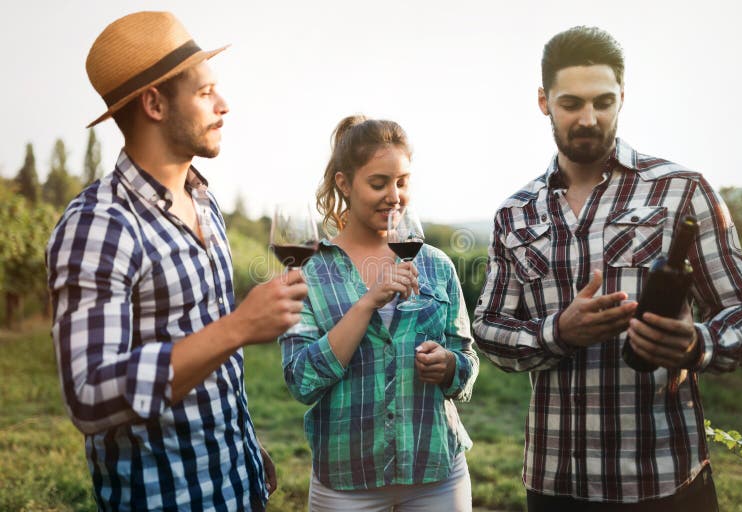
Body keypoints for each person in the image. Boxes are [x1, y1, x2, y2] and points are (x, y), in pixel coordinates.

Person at [472, 26, 742, 511]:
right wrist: (559, 332)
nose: (588, 118)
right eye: (571, 104)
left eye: (603, 102)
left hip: (665, 480)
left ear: (622, 98)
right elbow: (487, 327)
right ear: (544, 101)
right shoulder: (515, 212)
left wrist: (698, 344)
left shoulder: (682, 191)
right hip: (555, 484)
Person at [46, 11, 307, 511]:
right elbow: (88, 393)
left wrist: (244, 453)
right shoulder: (99, 224)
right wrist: (239, 326)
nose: (225, 105)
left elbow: (203, 360)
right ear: (154, 104)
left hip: (237, 485)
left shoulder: (203, 200)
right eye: (207, 92)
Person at [279, 115, 478, 511]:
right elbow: (301, 381)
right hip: (346, 479)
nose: (394, 196)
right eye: (378, 183)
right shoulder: (308, 271)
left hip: (436, 470)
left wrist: (450, 365)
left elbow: (467, 360)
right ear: (344, 183)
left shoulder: (436, 265)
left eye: (402, 182)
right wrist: (367, 302)